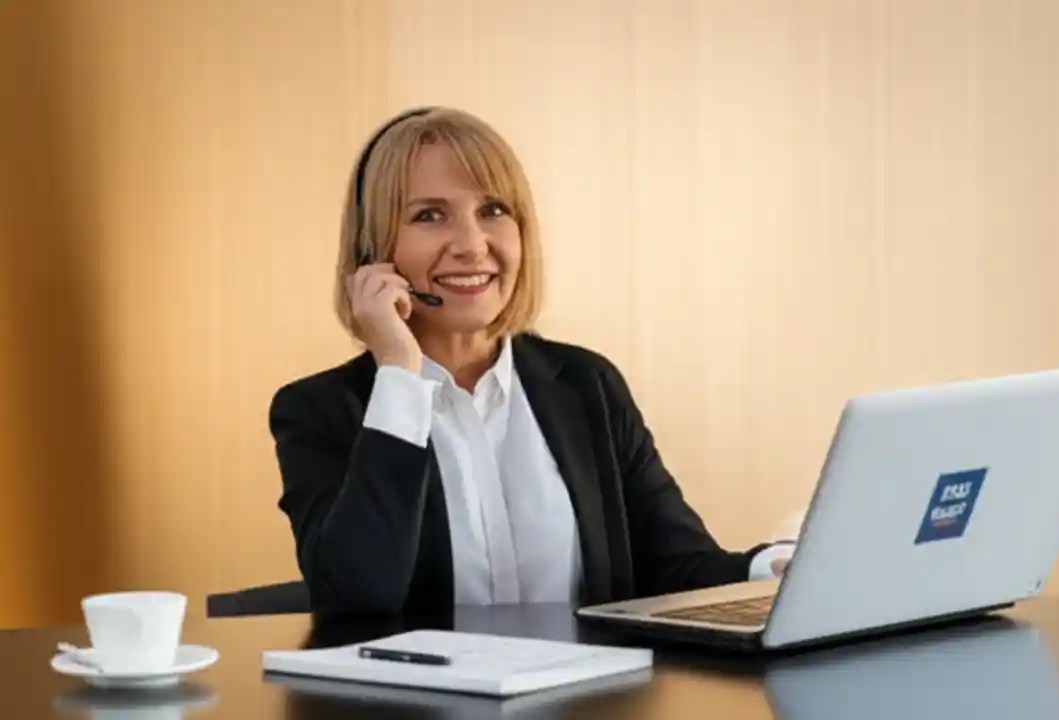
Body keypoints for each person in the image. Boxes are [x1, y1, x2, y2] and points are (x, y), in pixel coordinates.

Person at [269, 106, 791, 615]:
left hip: (584, 678)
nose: (472, 246)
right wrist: (399, 376)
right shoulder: (318, 410)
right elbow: (357, 599)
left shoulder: (586, 384)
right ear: (372, 251)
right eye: (429, 215)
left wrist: (776, 568)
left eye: (493, 211)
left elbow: (676, 566)